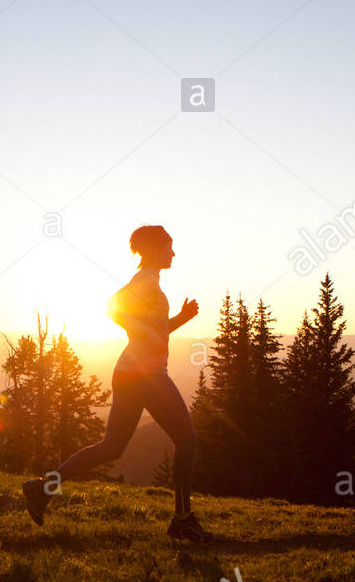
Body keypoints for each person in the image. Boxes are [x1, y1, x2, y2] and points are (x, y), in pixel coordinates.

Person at [21, 225, 213, 541]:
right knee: (187, 439)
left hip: (131, 372)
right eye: (169, 247)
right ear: (155, 250)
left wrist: (179, 318)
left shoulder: (150, 282)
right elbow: (113, 307)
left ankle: (43, 487)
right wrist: (140, 330)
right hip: (146, 374)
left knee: (112, 446)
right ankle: (182, 519)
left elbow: (155, 330)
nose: (174, 253)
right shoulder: (146, 281)